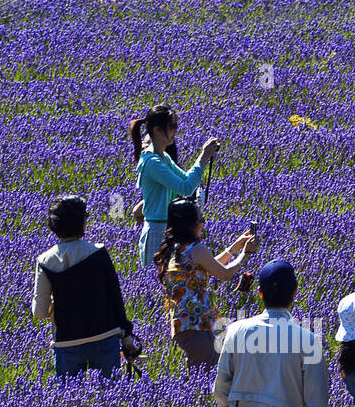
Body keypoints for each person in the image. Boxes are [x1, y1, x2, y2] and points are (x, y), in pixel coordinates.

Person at [214, 260, 329, 407]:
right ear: (295, 292)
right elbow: (317, 405)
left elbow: (220, 391)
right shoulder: (308, 340)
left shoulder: (236, 330)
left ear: (259, 293)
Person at [31, 195, 138, 377]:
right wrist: (127, 338)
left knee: (69, 401)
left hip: (66, 342)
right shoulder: (98, 253)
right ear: (83, 223)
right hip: (104, 337)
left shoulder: (45, 261)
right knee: (110, 397)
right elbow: (115, 298)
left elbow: (39, 312)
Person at [156, 197, 257, 369]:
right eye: (200, 219)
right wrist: (246, 254)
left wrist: (236, 246)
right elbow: (223, 273)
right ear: (189, 224)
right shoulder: (196, 250)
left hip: (185, 325)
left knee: (204, 372)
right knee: (208, 376)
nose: (203, 222)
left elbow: (209, 266)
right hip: (199, 326)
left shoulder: (175, 250)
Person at [131, 104, 219, 268]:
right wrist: (203, 157)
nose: (175, 131)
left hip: (168, 229)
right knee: (157, 284)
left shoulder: (163, 157)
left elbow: (186, 180)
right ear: (157, 130)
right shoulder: (153, 162)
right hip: (157, 231)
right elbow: (185, 188)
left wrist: (204, 157)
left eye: (176, 126)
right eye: (172, 126)